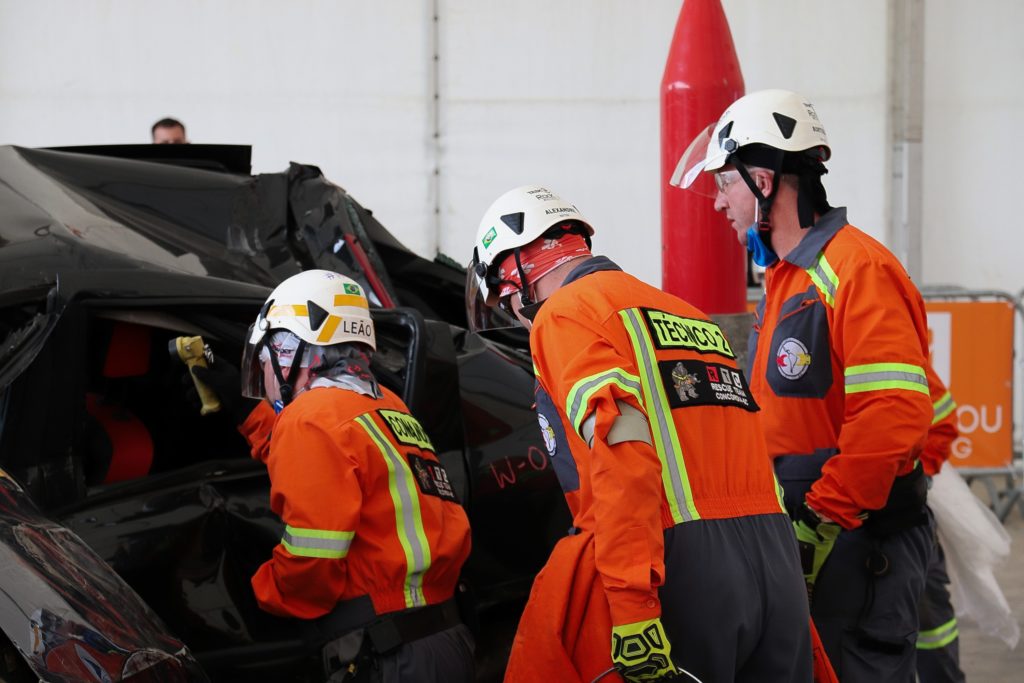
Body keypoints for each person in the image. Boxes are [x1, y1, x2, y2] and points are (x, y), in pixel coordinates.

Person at [467, 186, 813, 682]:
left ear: (515, 272)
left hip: (685, 565)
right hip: (773, 558)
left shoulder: (565, 314)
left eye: (507, 300)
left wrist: (632, 605)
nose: (516, 315)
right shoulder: (686, 314)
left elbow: (622, 454)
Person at [678, 89, 935, 681]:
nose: (718, 202)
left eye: (725, 183)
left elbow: (892, 413)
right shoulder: (785, 279)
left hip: (853, 538)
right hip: (798, 530)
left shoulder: (856, 271)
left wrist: (821, 520)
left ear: (764, 180)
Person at [193, 269, 474, 682]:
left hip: (390, 652)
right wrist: (250, 416)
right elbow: (327, 466)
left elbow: (314, 561)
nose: (267, 373)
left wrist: (261, 593)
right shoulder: (385, 405)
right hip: (441, 637)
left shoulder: (308, 419)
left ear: (293, 350)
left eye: (271, 356)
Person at [917, 367, 965, 683]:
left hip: (902, 513)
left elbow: (943, 420)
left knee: (929, 612)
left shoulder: (877, 332)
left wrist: (912, 480)